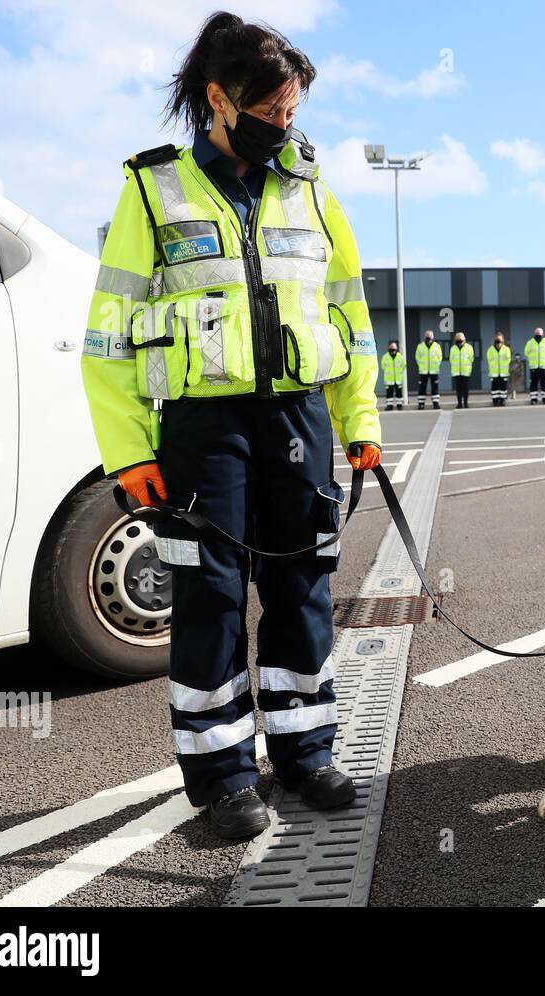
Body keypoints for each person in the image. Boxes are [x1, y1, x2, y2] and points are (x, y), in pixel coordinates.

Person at [81, 11, 382, 840]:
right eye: (273, 112)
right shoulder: (151, 188)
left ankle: (305, 750)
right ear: (219, 99)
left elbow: (349, 315)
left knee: (301, 585)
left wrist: (361, 419)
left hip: (299, 416)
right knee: (210, 598)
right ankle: (219, 775)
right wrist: (128, 451)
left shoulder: (314, 189)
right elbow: (108, 336)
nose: (285, 127)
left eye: (293, 114)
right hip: (200, 431)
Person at [524, 326, 545, 404]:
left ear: (543, 334)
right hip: (534, 367)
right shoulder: (530, 342)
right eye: (537, 332)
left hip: (544, 366)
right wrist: (532, 359)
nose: (538, 334)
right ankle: (534, 399)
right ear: (534, 333)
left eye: (539, 332)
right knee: (533, 383)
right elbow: (526, 353)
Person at [415, 329, 442, 409]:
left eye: (430, 337)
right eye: (427, 337)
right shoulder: (420, 346)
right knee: (422, 388)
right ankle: (421, 404)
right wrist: (421, 365)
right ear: (425, 337)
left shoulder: (437, 346)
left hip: (434, 370)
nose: (428, 339)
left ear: (433, 337)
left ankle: (436, 403)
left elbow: (439, 357)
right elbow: (417, 357)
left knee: (435, 388)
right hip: (423, 371)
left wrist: (436, 364)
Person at [449, 331, 474, 409]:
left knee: (465, 388)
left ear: (464, 340)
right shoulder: (453, 348)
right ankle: (459, 403)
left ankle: (465, 403)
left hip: (465, 371)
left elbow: (471, 358)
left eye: (461, 340)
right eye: (458, 340)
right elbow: (451, 359)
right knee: (458, 389)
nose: (459, 341)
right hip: (456, 372)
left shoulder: (469, 347)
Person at [486, 331, 512, 406]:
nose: (498, 342)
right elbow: (489, 360)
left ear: (502, 341)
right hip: (494, 372)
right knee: (495, 388)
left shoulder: (506, 349)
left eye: (499, 340)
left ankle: (503, 400)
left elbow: (508, 359)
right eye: (496, 340)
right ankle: (495, 401)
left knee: (503, 387)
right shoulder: (490, 350)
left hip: (504, 372)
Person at [382, 339, 405, 410]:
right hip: (389, 380)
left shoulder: (400, 357)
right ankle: (389, 406)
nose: (393, 351)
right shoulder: (385, 357)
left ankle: (399, 405)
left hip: (398, 379)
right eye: (391, 349)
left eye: (394, 349)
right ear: (389, 349)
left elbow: (404, 365)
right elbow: (383, 367)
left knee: (399, 393)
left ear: (396, 349)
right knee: (389, 393)